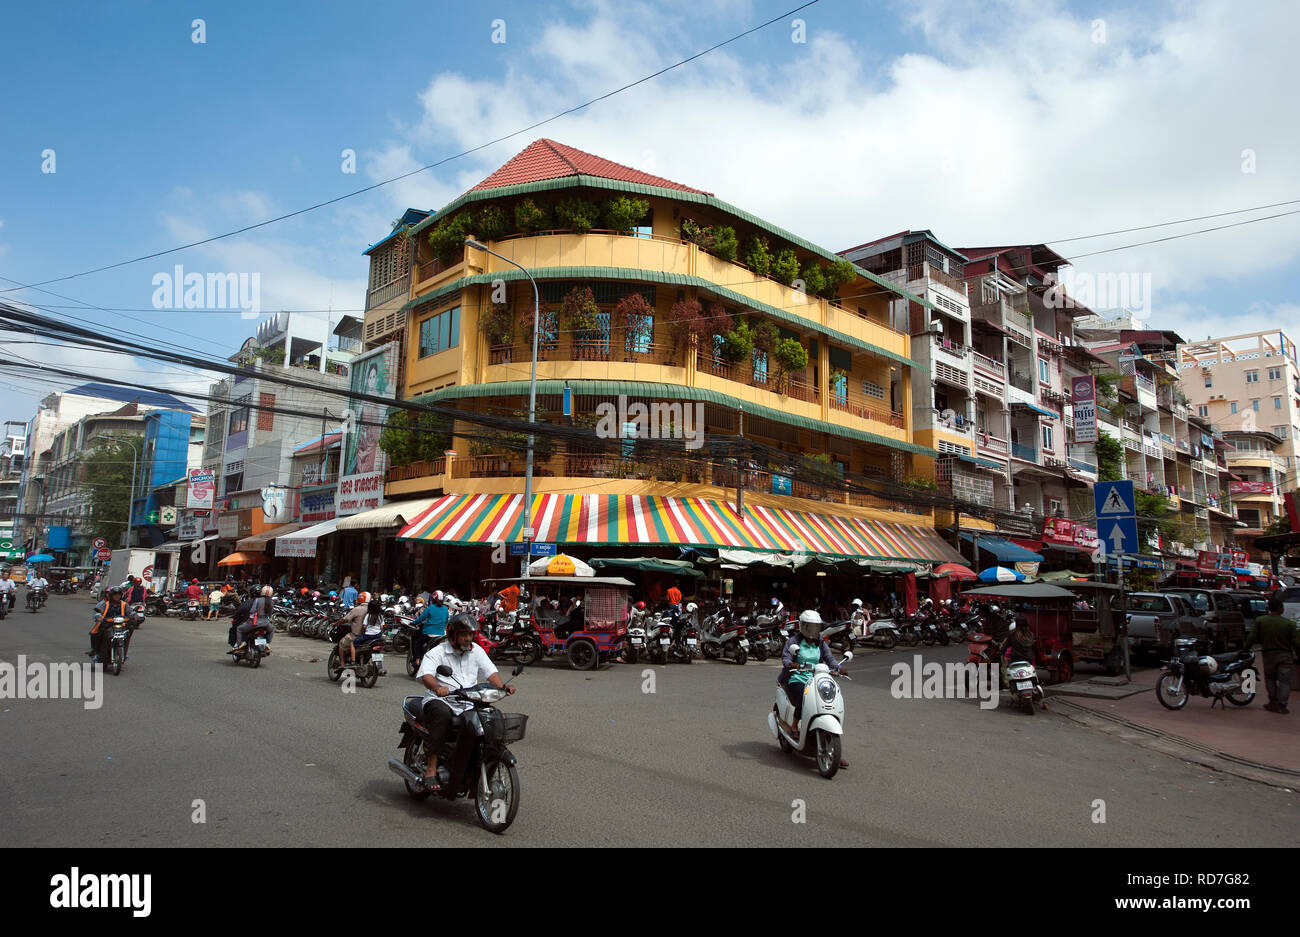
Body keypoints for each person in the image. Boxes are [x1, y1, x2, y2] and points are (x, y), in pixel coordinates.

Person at [414, 614, 515, 792]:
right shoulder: (438, 652)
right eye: (463, 635)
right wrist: (438, 687)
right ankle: (431, 768)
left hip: (468, 702)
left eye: (470, 634)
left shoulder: (475, 650)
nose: (468, 638)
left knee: (488, 719)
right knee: (443, 715)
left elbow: (489, 671)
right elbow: (426, 675)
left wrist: (502, 687)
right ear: (453, 634)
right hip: (440, 700)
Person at [777, 610, 849, 768]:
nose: (812, 631)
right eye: (809, 627)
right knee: (804, 697)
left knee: (832, 699)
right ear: (803, 626)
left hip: (817, 679)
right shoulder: (793, 641)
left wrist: (838, 668)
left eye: (815, 627)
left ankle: (834, 748)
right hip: (798, 677)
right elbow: (786, 658)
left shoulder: (820, 642)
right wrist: (791, 664)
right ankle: (795, 725)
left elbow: (830, 659)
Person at [1245, 595, 1297, 714]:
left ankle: (1272, 702)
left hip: (1269, 655)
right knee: (1284, 681)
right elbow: (1296, 643)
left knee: (1270, 679)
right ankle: (1282, 705)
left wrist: (1244, 649)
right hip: (1285, 655)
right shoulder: (1289, 624)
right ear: (1281, 609)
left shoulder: (1261, 621)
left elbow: (1251, 638)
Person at [339, 595, 384, 668]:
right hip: (378, 636)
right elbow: (382, 627)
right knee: (378, 651)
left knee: (352, 643)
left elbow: (364, 626)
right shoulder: (380, 616)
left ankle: (352, 661)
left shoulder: (367, 615)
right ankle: (379, 667)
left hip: (367, 635)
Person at [90, 586, 131, 663]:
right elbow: (98, 612)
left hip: (121, 625)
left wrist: (135, 616)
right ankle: (96, 652)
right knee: (96, 634)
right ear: (111, 595)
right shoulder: (105, 604)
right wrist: (99, 616)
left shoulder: (124, 604)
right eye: (115, 594)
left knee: (129, 631)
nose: (117, 596)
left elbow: (131, 612)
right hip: (107, 625)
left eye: (118, 595)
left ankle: (123, 652)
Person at [410, 591, 450, 659]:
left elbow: (421, 618)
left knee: (417, 643)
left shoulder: (430, 608)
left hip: (429, 633)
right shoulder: (446, 609)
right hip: (441, 635)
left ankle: (417, 660)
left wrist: (413, 623)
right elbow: (446, 621)